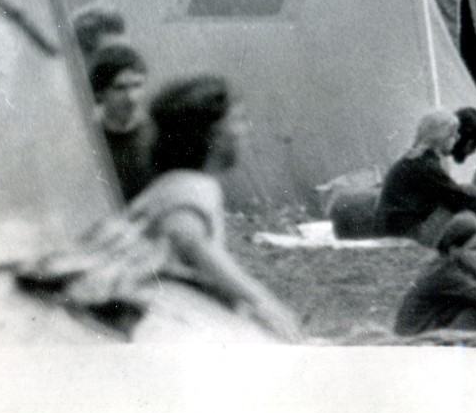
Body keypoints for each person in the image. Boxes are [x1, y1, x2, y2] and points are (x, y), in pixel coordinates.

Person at [18, 75, 301, 340]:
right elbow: (185, 236)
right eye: (238, 120)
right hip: (161, 320)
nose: (245, 130)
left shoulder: (168, 184)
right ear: (212, 135)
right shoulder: (194, 185)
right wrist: (260, 299)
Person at [392, 210, 476, 342]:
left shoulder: (466, 268)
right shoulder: (444, 273)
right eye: (475, 249)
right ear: (454, 250)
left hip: (435, 333)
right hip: (416, 340)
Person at [378, 112, 476, 247]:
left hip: (397, 226)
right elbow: (455, 196)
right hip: (407, 232)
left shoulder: (416, 159)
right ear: (441, 137)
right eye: (453, 134)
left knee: (468, 192)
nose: (457, 138)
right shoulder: (424, 164)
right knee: (468, 218)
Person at [88, 44, 154, 203]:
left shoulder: (159, 138)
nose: (131, 97)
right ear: (100, 93)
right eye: (120, 88)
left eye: (137, 85)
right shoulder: (89, 143)